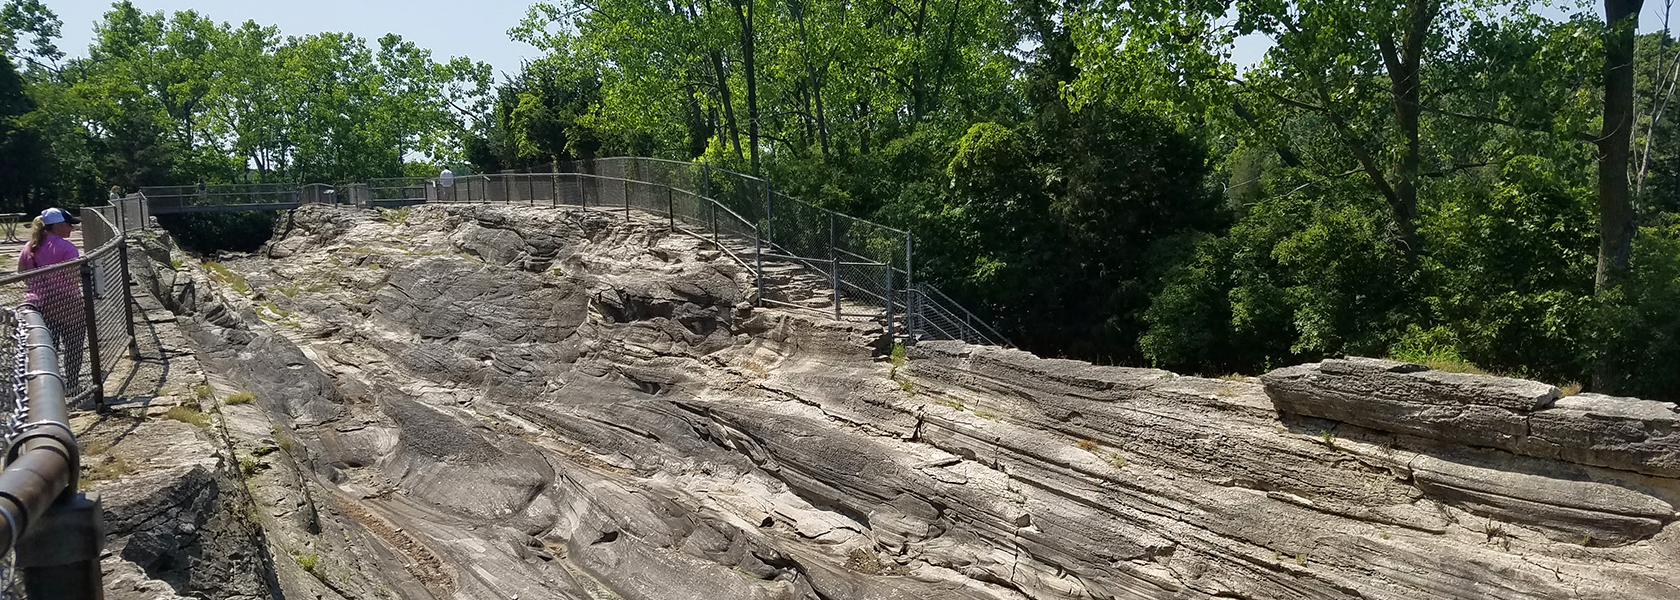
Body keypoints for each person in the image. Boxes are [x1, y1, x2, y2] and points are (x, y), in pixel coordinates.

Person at [18, 208, 85, 390]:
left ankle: (49, 387)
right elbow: (73, 277)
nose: (71, 228)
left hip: (37, 304)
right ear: (57, 225)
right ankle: (72, 385)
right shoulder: (66, 248)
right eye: (69, 224)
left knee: (48, 348)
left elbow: (21, 274)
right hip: (67, 302)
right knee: (73, 345)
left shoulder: (29, 246)